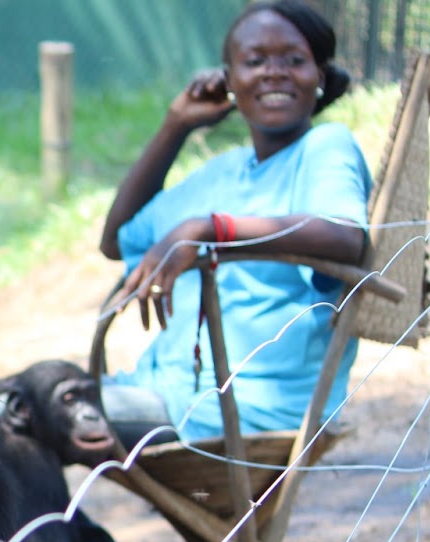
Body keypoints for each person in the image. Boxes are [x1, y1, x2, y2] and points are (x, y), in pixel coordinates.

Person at [97, 0, 372, 447]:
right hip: (155, 389)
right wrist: (176, 125)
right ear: (228, 80)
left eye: (294, 60)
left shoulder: (325, 146)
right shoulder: (225, 170)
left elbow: (344, 236)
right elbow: (117, 240)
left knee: (15, 419)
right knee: (7, 404)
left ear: (320, 77)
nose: (274, 72)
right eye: (255, 61)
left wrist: (211, 230)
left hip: (244, 409)